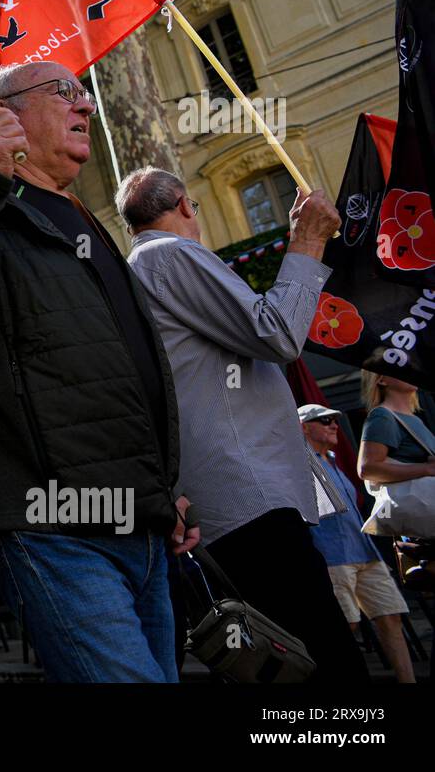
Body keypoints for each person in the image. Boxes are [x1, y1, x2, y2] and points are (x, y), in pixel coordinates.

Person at [0, 62, 195, 683]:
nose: (87, 107)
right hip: (53, 524)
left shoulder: (85, 218)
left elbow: (125, 367)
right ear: (8, 115)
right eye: (66, 93)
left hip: (144, 522)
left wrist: (164, 489)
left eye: (85, 93)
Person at [119, 166, 368, 682]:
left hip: (232, 501)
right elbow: (277, 333)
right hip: (248, 498)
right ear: (187, 206)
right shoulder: (168, 254)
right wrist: (305, 241)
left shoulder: (141, 265)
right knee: (327, 663)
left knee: (291, 666)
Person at [300, 404, 416, 683]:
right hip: (333, 556)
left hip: (366, 552)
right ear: (303, 427)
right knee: (344, 626)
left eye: (335, 420)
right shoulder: (300, 464)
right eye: (324, 420)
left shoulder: (334, 460)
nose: (334, 425)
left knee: (391, 617)